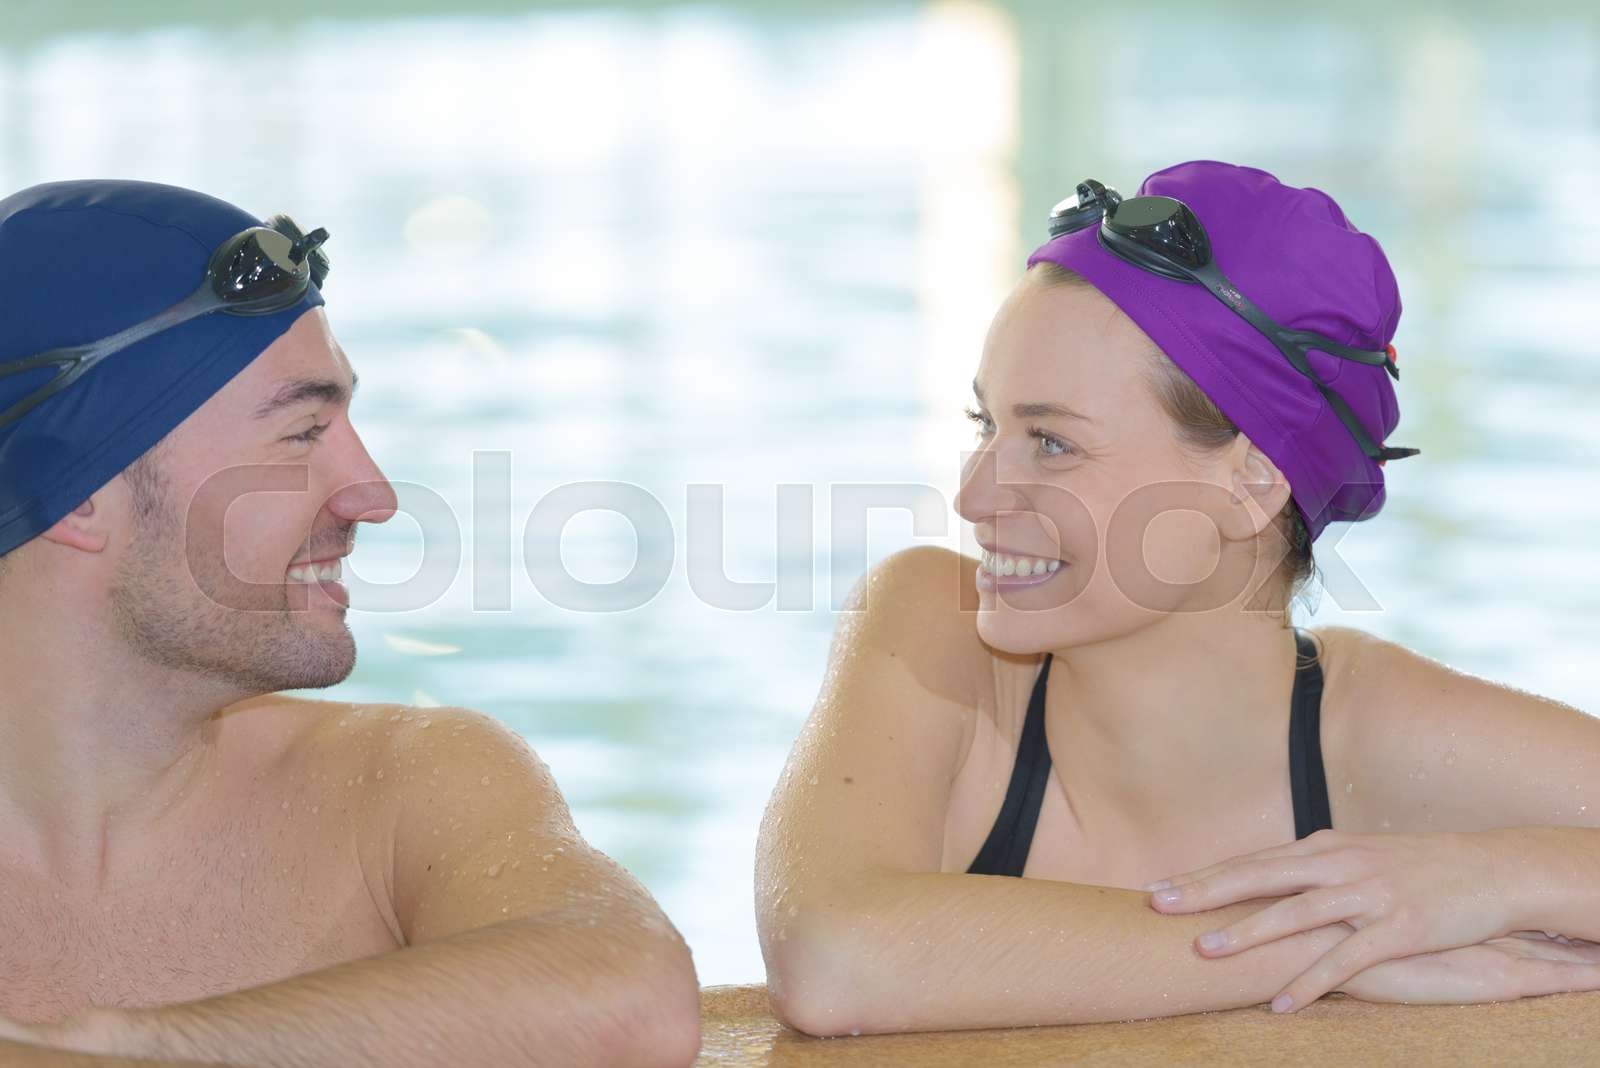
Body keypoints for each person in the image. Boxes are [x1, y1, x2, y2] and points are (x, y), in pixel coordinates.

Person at [756, 161, 1600, 1036]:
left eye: (1051, 443)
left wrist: (1496, 878)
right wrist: (1338, 937)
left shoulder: (1377, 735)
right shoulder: (939, 629)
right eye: (987, 425)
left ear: (1250, 484)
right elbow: (830, 960)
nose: (973, 497)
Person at [0, 180, 699, 1066]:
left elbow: (631, 999)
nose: (374, 493)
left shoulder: (397, 791)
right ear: (80, 493)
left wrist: (107, 1048)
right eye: (303, 432)